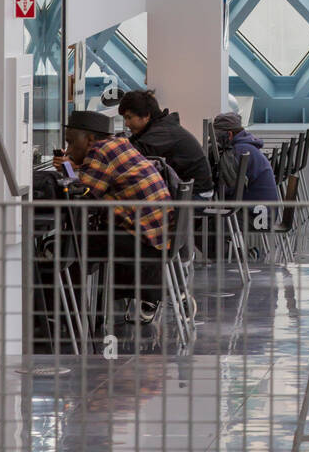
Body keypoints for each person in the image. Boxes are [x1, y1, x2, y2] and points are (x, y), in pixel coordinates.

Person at [55, 110, 173, 322]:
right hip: (158, 236)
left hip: (144, 241)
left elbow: (85, 197)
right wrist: (74, 170)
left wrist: (64, 178)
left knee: (67, 247)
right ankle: (88, 314)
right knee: (80, 242)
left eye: (72, 143)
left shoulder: (100, 151)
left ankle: (68, 316)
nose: (70, 150)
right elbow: (91, 187)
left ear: (90, 139)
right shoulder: (119, 144)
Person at [120, 88, 213, 197]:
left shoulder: (160, 134)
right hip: (193, 190)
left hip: (194, 196)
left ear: (146, 116)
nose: (126, 123)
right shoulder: (162, 127)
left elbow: (128, 156)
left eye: (129, 118)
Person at [212, 109, 279, 203]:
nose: (216, 142)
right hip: (266, 210)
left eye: (217, 137)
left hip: (253, 213)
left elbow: (227, 189)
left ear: (230, 134)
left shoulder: (237, 151)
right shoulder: (247, 147)